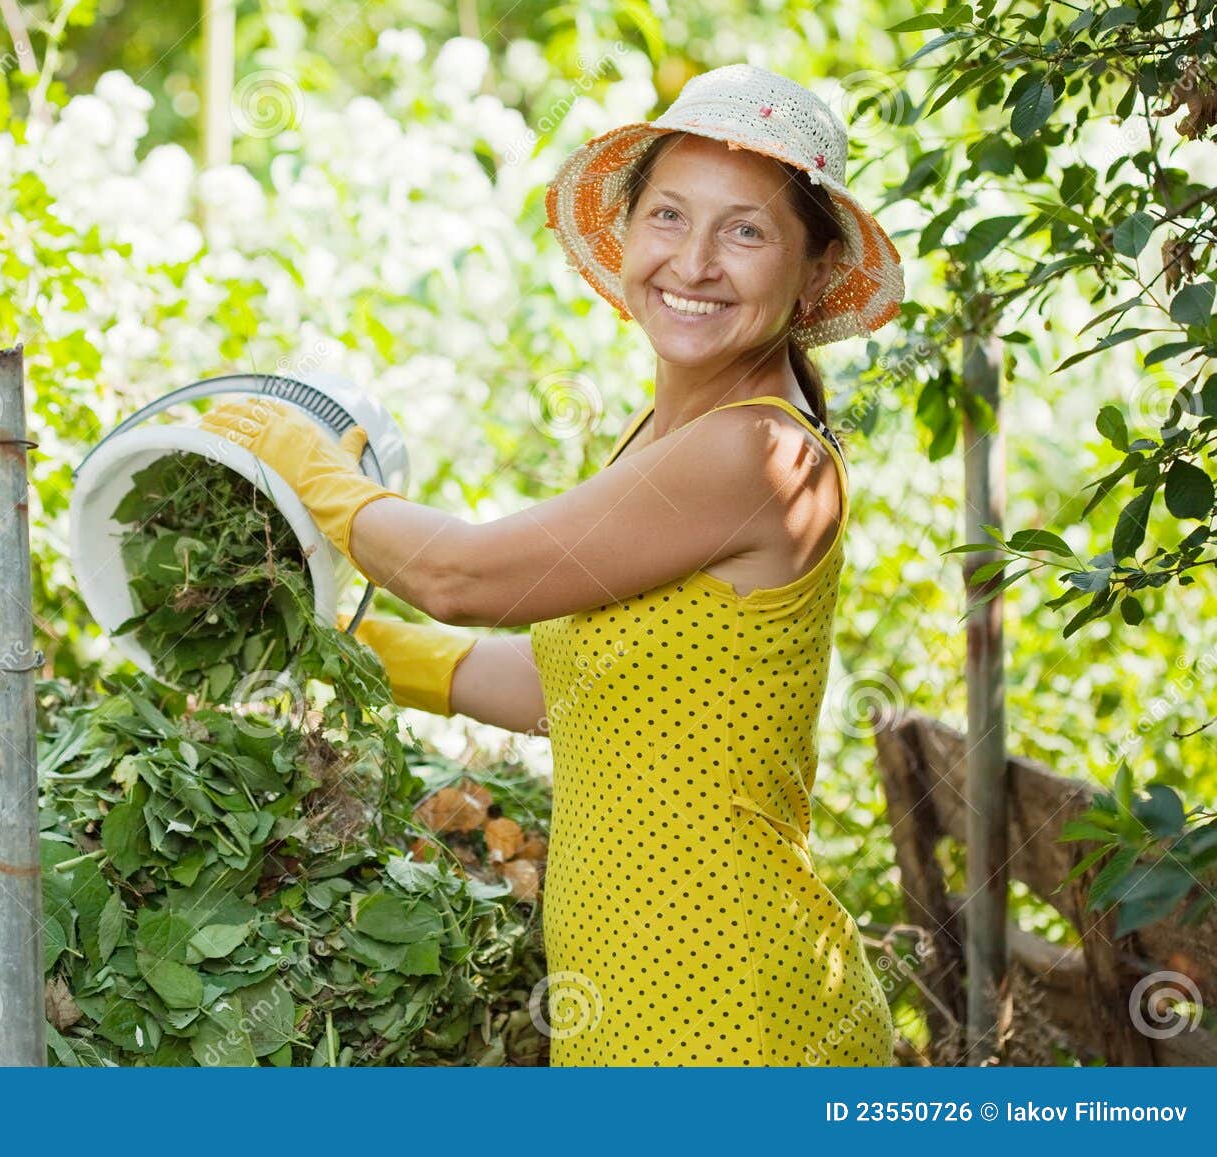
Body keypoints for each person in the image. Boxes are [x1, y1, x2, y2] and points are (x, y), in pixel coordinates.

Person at [198, 62, 905, 1066]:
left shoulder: (758, 451)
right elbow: (578, 689)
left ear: (812, 268)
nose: (693, 262)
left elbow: (465, 575)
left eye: (744, 230)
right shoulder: (671, 435)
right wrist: (338, 645)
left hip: (735, 1016)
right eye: (668, 216)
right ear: (628, 227)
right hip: (638, 1005)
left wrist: (309, 463)